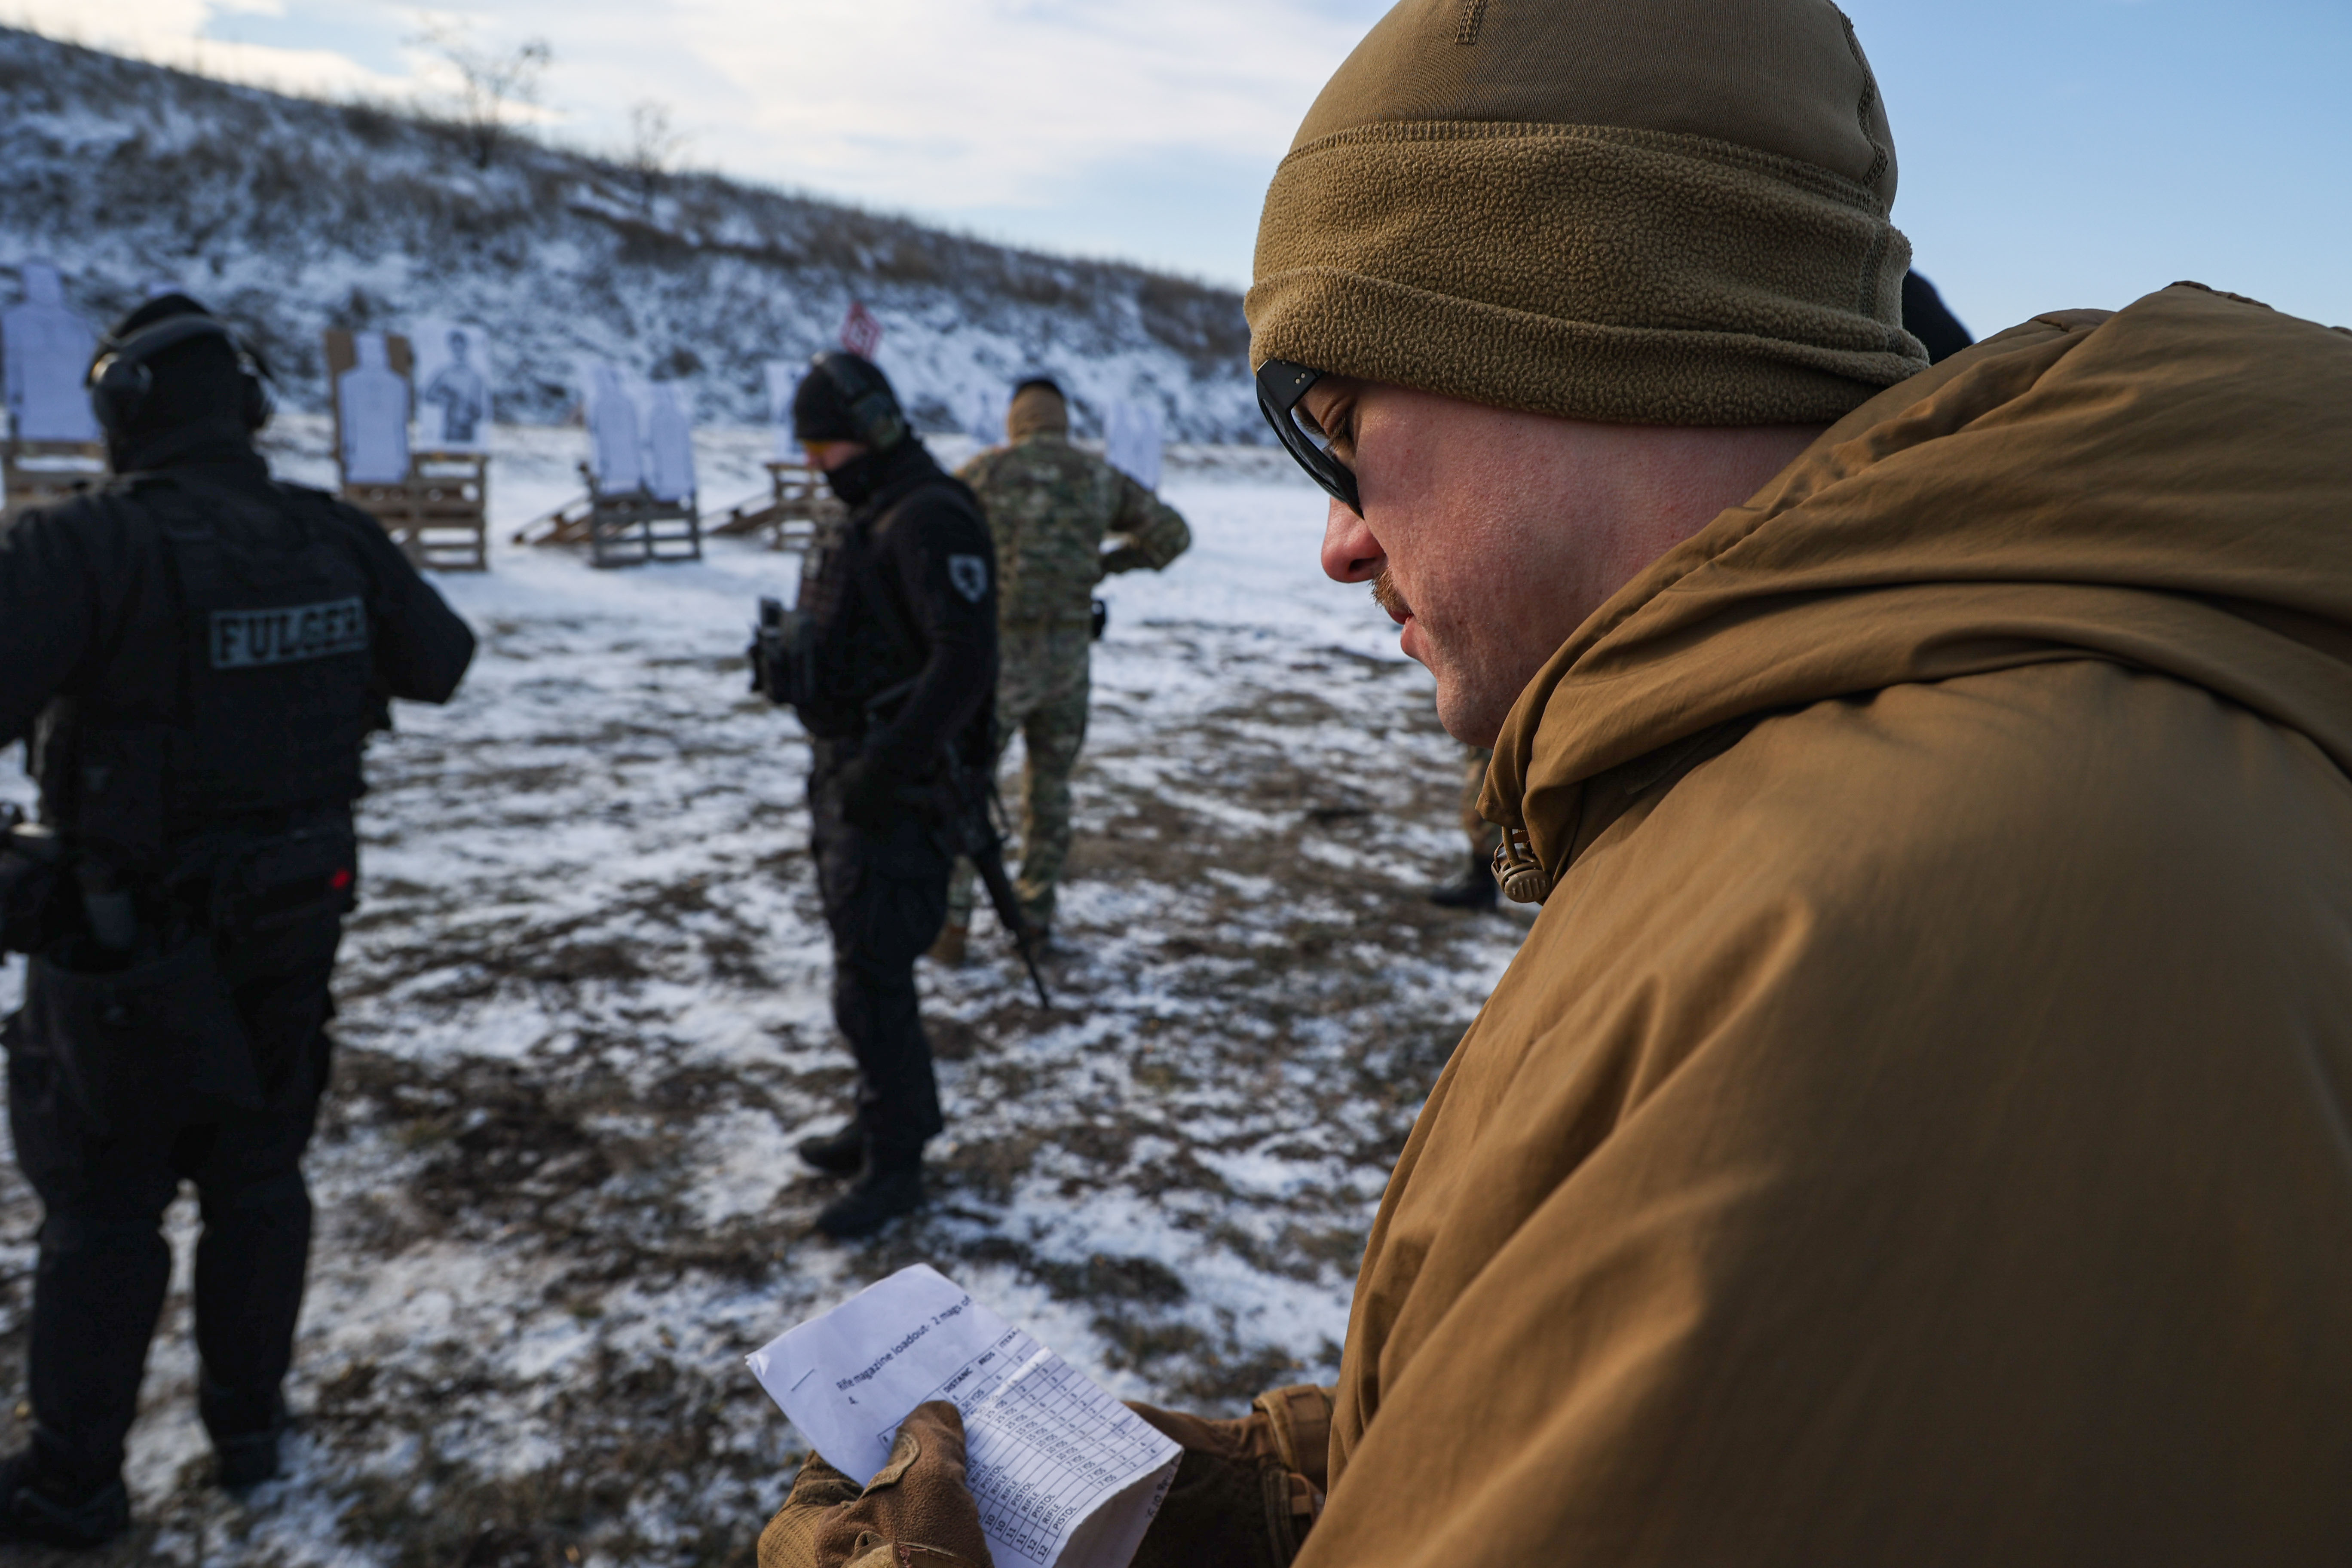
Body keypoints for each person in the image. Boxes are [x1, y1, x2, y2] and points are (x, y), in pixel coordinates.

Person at [756, 0, 2352, 1562]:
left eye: (1338, 428)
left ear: (1567, 338)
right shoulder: (1859, 785)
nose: (1336, 539)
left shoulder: (1903, 919)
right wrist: (1275, 1502)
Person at [0, 294, 475, 1548]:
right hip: (289, 932)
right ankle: (250, 1430)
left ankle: (75, 1483)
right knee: (259, 1182)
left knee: (105, 1215)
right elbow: (441, 660)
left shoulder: (86, 546)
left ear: (122, 415)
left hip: (122, 957)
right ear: (248, 411)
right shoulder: (327, 533)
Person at [784, 352, 997, 1239]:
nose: (816, 468)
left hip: (899, 793)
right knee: (859, 975)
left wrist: (886, 771)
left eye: (825, 447)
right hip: (863, 780)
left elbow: (965, 663)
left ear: (869, 432)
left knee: (873, 980)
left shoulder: (928, 516)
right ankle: (884, 1120)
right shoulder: (879, 511)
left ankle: (897, 1167)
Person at [935, 377, 1190, 958]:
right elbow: (1172, 535)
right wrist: (1103, 566)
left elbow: (933, 542)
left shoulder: (983, 473)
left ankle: (950, 926)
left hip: (994, 666)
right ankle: (1034, 920)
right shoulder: (1096, 477)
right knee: (1049, 796)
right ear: (1061, 421)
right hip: (1068, 665)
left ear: (1016, 421)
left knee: (966, 791)